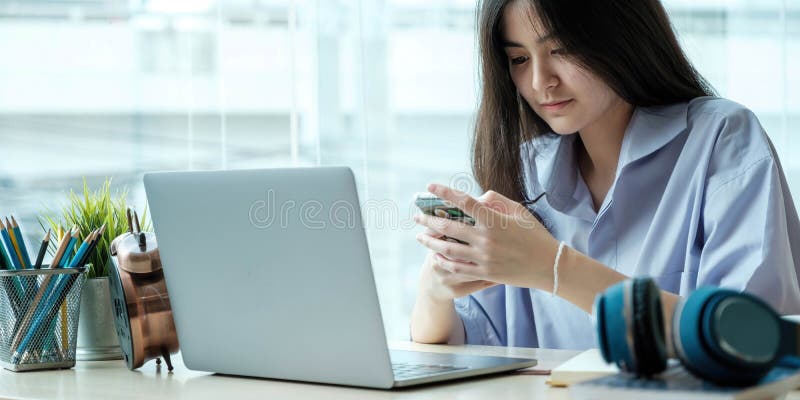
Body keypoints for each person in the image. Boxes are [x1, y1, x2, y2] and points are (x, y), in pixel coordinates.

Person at [410, 0, 800, 350]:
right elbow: (462, 345)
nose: (540, 81)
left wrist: (553, 267)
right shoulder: (524, 170)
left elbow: (749, 339)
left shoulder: (722, 139)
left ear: (620, 35)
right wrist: (433, 291)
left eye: (560, 49)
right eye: (519, 59)